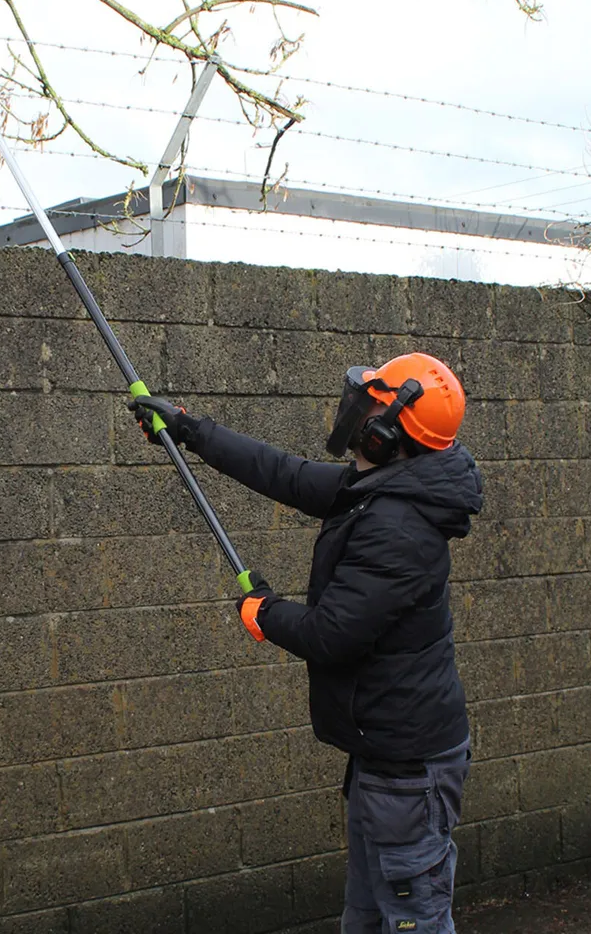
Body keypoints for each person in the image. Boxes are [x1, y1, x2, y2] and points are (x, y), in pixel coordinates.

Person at [130, 352, 482, 934]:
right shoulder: (386, 487)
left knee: (414, 920)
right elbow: (286, 474)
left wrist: (263, 613)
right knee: (367, 919)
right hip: (384, 763)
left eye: (370, 403)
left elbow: (331, 635)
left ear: (385, 431)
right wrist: (189, 430)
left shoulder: (398, 527)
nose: (356, 408)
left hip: (408, 776)